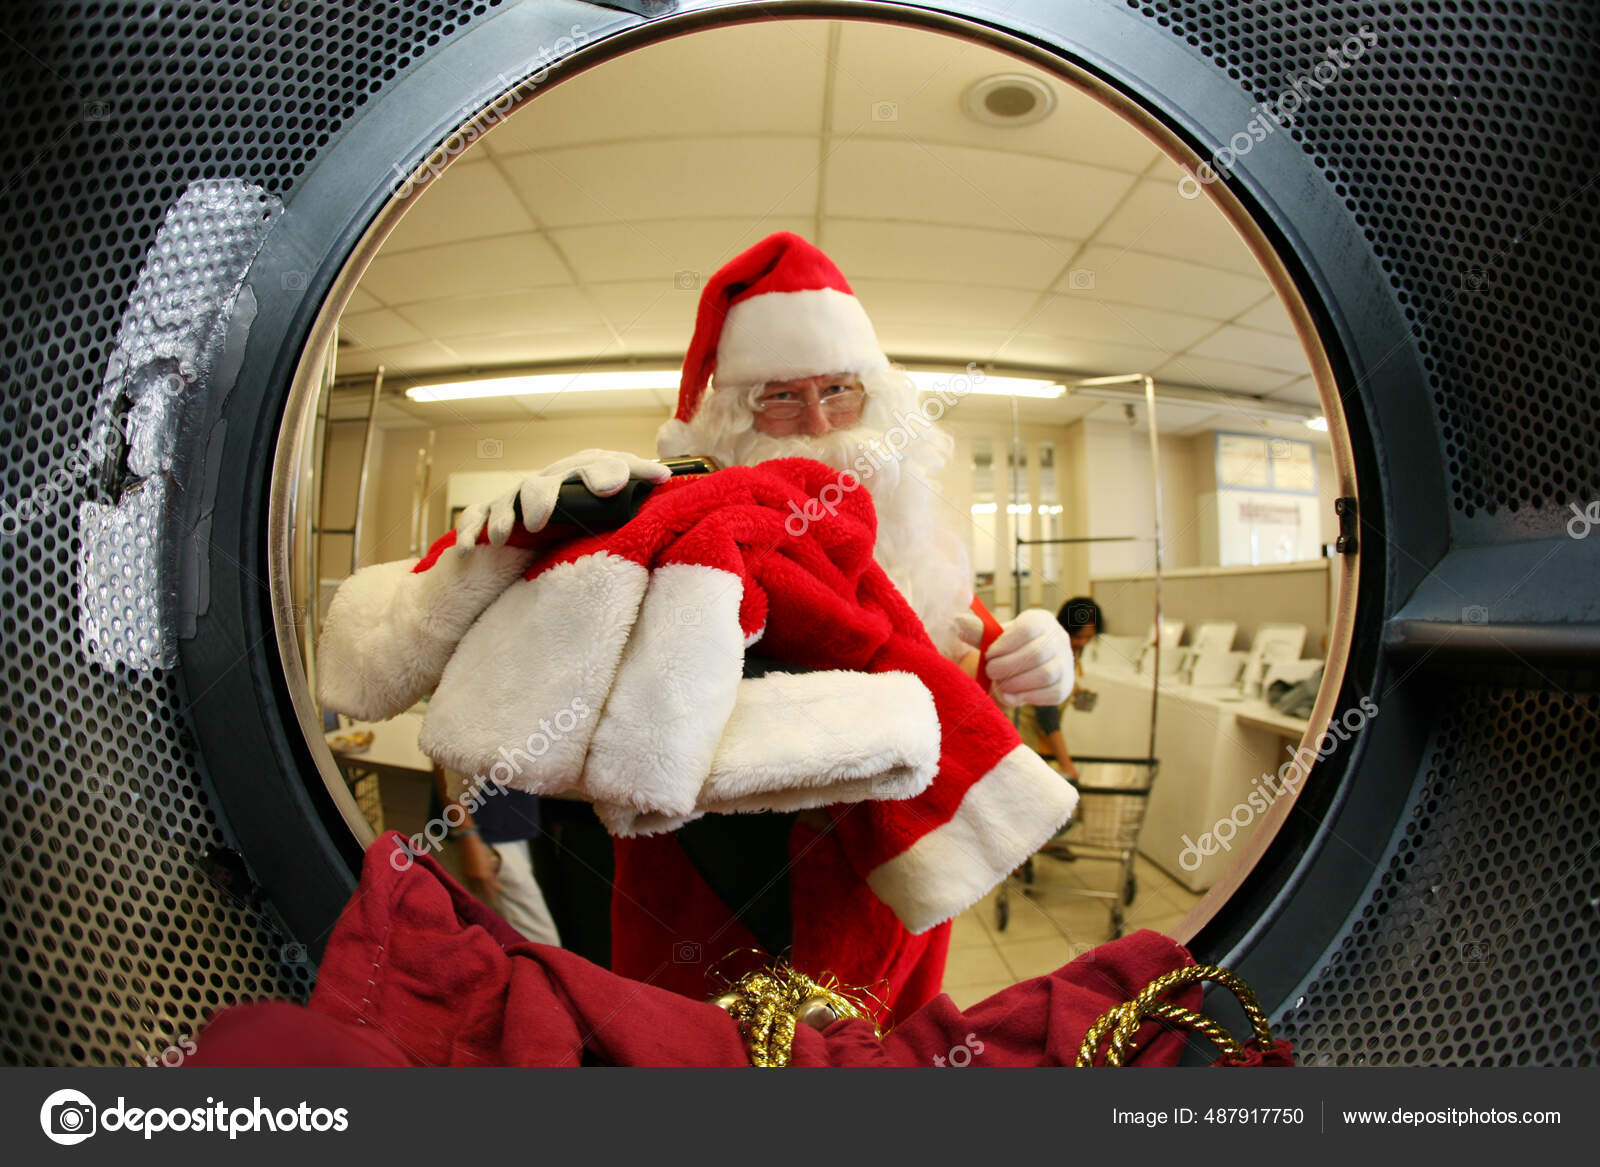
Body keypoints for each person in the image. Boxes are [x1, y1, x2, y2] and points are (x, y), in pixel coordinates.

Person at [446, 231, 1078, 1017]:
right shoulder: (681, 532)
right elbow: (572, 672)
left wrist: (1037, 661)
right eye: (781, 397)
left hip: (895, 920)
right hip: (709, 918)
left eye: (840, 389)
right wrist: (536, 549)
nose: (818, 421)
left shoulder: (919, 552)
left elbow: (972, 674)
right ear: (732, 420)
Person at [1021, 596, 1103, 780]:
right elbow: (1047, 717)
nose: (1083, 643)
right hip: (1027, 733)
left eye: (1088, 637)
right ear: (1064, 627)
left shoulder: (1071, 648)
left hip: (1042, 735)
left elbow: (1064, 676)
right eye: (1078, 636)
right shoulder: (1049, 653)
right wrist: (1067, 766)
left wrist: (1075, 690)